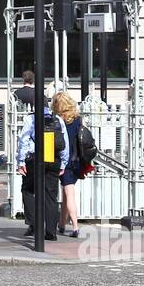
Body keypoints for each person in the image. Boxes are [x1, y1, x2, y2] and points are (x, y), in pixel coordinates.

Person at [17, 97, 68, 241]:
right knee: (50, 195)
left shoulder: (31, 119)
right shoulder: (58, 119)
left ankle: (34, 224)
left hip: (35, 158)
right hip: (53, 158)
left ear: (34, 106)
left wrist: (21, 161)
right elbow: (65, 143)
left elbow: (24, 140)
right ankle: (51, 232)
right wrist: (63, 163)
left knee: (28, 189)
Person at [54, 92, 83, 238]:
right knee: (66, 192)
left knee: (69, 194)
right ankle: (61, 224)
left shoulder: (58, 121)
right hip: (76, 160)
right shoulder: (78, 119)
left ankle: (75, 227)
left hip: (65, 161)